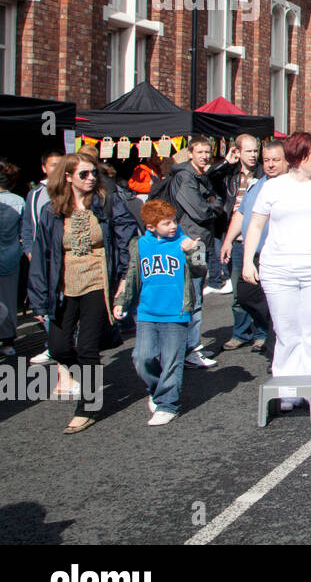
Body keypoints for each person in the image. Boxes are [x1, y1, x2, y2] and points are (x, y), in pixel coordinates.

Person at [27, 153, 140, 433]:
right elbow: (41, 257)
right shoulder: (52, 210)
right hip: (63, 285)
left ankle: (87, 407)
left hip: (98, 281)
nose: (91, 179)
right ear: (67, 177)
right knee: (59, 347)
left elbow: (128, 238)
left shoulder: (106, 202)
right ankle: (88, 378)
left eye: (93, 174)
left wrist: (125, 278)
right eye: (83, 175)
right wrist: (39, 301)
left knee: (88, 346)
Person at [243, 133, 311, 410]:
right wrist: (247, 261)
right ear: (297, 156)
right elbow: (255, 226)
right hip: (278, 269)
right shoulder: (272, 188)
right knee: (286, 330)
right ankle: (288, 389)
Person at [113, 200, 207, 425]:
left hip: (177, 311)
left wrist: (193, 251)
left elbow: (200, 270)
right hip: (147, 311)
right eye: (166, 223)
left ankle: (168, 404)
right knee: (141, 357)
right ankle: (158, 389)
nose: (173, 226)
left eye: (173, 220)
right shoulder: (140, 244)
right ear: (151, 227)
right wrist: (121, 302)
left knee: (172, 360)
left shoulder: (185, 242)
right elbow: (133, 274)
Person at [220, 140, 287, 356]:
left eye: (275, 160)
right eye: (266, 160)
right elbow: (241, 213)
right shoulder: (257, 185)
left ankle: (279, 348)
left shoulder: (293, 186)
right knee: (246, 294)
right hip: (255, 252)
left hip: (282, 255)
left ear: (286, 161)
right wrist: (228, 240)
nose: (270, 165)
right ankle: (272, 327)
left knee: (277, 301)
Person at [165, 137, 222, 367]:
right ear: (190, 153)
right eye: (200, 152)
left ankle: (188, 347)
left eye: (208, 152)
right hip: (192, 242)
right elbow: (200, 211)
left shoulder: (201, 175)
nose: (205, 156)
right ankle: (190, 350)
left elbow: (214, 199)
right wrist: (213, 205)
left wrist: (212, 202)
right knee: (194, 297)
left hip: (201, 240)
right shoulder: (185, 177)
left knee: (195, 293)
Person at [208, 136, 264, 351]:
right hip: (233, 237)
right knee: (238, 292)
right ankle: (241, 332)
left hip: (255, 238)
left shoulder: (263, 174)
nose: (253, 155)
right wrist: (224, 163)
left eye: (255, 150)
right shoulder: (229, 174)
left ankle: (262, 332)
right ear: (237, 152)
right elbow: (207, 179)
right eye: (248, 151)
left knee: (257, 289)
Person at [21, 149, 64, 363]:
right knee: (46, 300)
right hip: (42, 257)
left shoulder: (69, 189)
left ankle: (63, 344)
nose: (56, 168)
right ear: (44, 168)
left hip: (64, 257)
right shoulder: (35, 194)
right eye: (52, 165)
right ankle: (53, 344)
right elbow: (28, 227)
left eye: (60, 164)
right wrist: (30, 252)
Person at [0, 160, 24, 356]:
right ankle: (7, 342)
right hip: (11, 254)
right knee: (8, 299)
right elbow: (23, 232)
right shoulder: (18, 200)